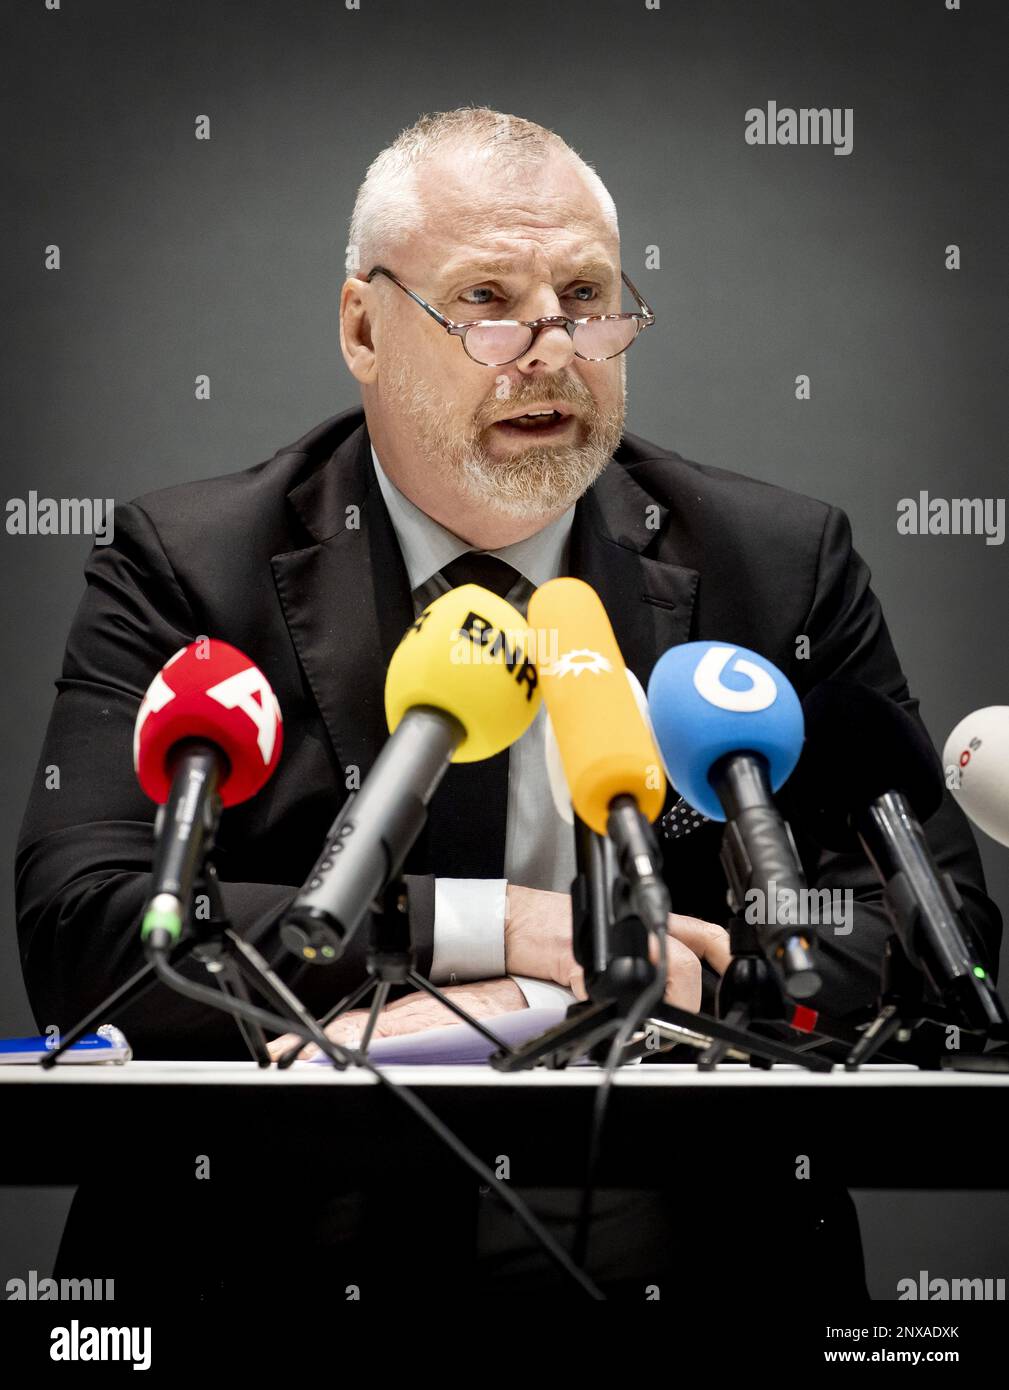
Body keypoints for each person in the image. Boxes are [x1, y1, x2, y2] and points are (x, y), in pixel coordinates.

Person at [18, 107, 1000, 1300]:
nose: (549, 349)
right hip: (275, 1268)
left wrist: (696, 980)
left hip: (687, 1271)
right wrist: (498, 932)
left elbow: (932, 930)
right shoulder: (191, 564)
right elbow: (93, 932)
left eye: (586, 299)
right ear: (363, 327)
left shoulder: (776, 562)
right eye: (486, 301)